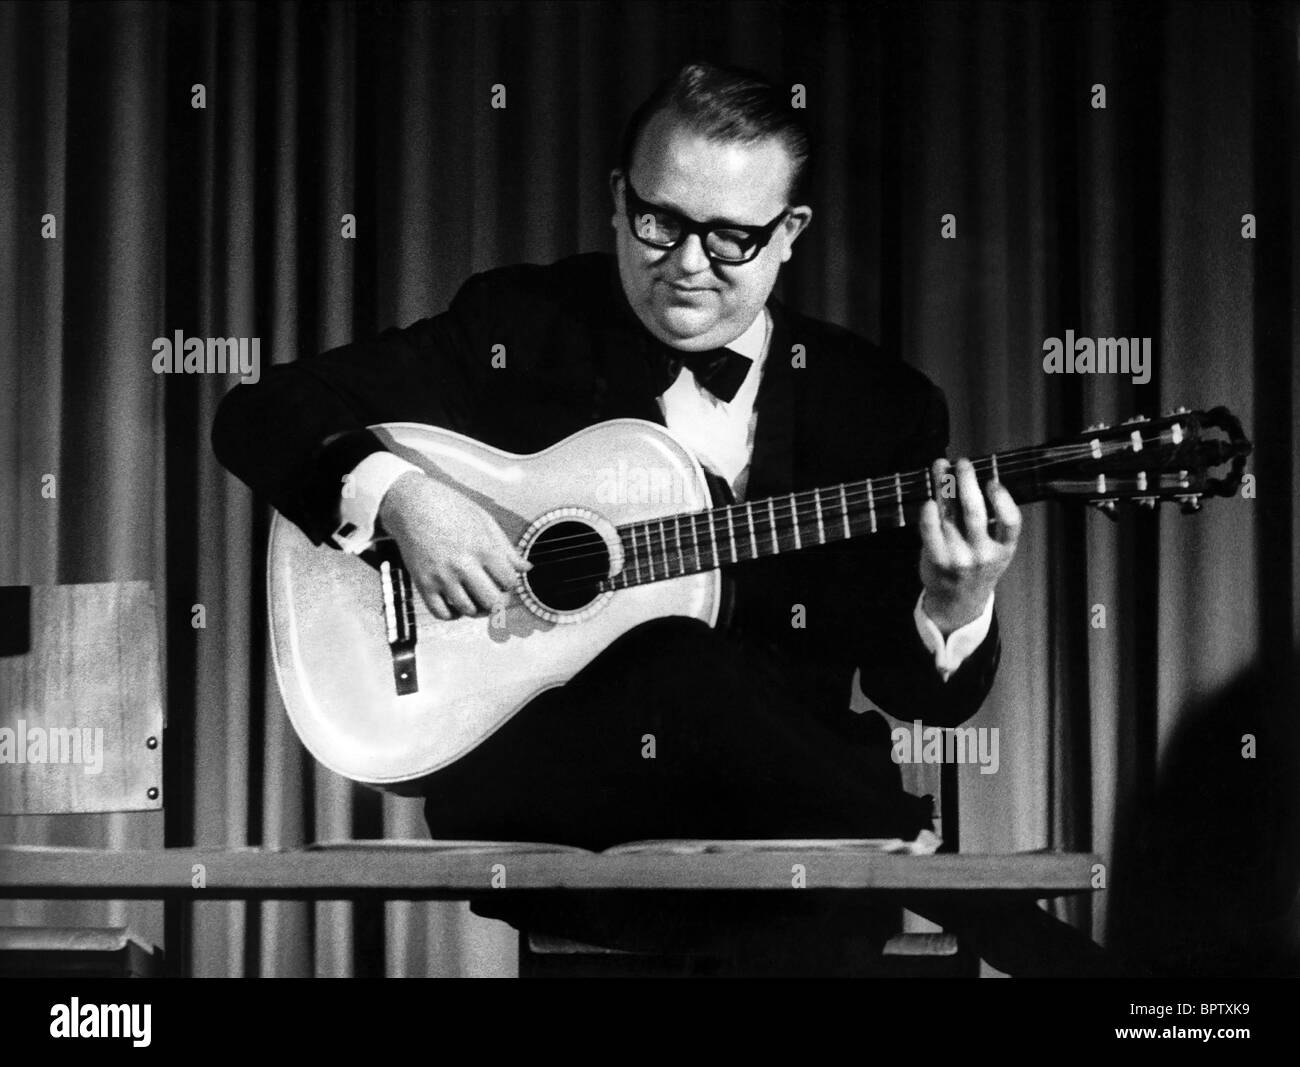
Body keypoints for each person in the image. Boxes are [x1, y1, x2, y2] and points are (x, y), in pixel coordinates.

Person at [214, 62, 1123, 976]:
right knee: (674, 661)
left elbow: (918, 693)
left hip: (784, 852)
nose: (688, 263)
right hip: (570, 814)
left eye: (732, 237)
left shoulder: (880, 406)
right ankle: (993, 915)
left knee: (755, 820)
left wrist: (955, 605)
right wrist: (406, 500)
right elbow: (261, 415)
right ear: (619, 200)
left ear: (790, 233)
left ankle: (895, 864)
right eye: (660, 222)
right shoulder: (523, 326)